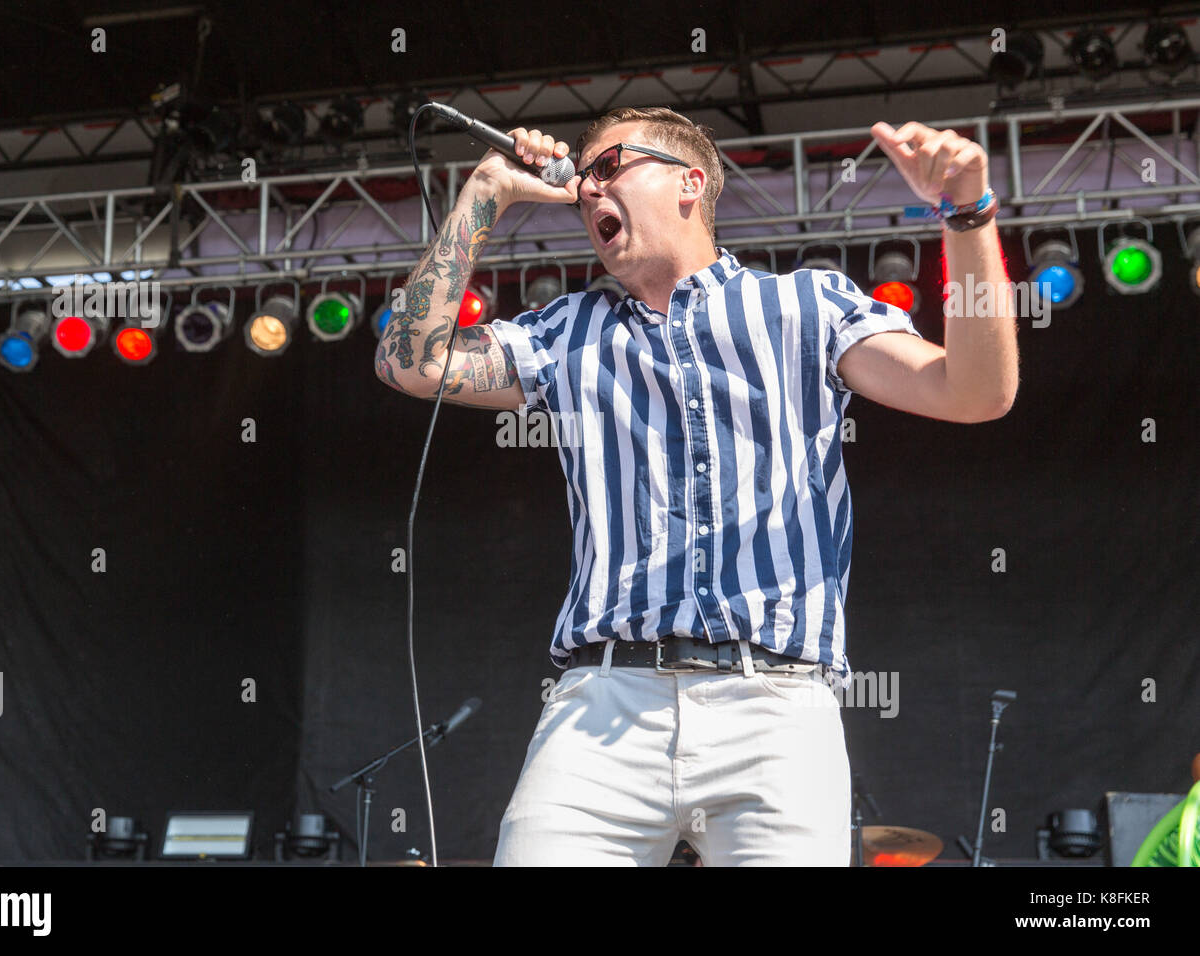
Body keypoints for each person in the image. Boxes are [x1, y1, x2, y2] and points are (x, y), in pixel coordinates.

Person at [374, 106, 1018, 865]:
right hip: (600, 705)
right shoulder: (565, 331)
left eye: (611, 167)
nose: (588, 189)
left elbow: (976, 392)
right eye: (585, 177)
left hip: (775, 705)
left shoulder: (805, 306)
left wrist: (966, 216)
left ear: (691, 182)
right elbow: (409, 362)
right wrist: (485, 192)